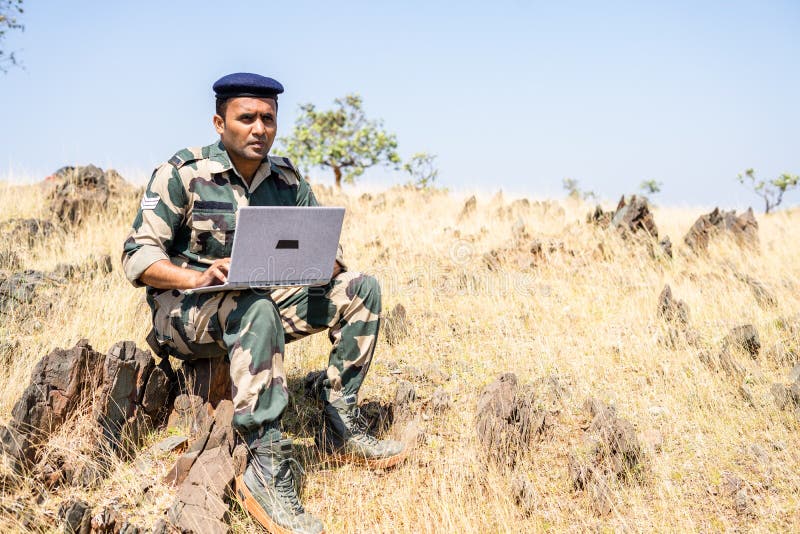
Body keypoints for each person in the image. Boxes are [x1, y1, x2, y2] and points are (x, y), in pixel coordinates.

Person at [121, 72, 406, 534]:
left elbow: (324, 248)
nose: (259, 129)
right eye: (247, 118)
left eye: (268, 119)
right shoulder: (183, 173)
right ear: (220, 123)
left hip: (262, 306)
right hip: (186, 312)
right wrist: (198, 276)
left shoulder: (287, 180)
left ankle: (341, 421)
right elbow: (137, 256)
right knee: (256, 308)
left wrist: (323, 263)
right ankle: (265, 464)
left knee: (360, 288)